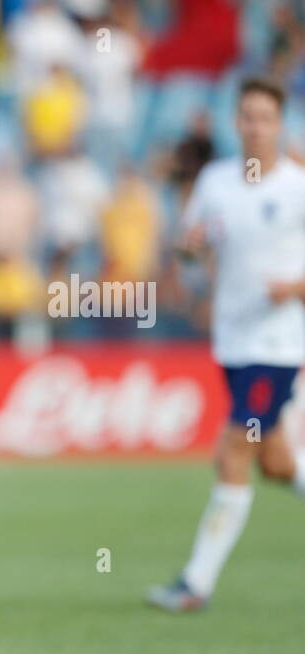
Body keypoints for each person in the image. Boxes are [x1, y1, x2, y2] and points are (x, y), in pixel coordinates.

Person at [148, 77, 305, 612]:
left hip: (278, 344)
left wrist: (294, 288)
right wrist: (190, 249)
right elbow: (193, 247)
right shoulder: (215, 181)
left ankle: (196, 583)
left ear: (280, 123)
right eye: (247, 116)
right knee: (279, 463)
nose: (255, 126)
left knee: (234, 450)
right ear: (235, 122)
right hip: (233, 341)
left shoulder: (297, 187)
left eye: (265, 116)